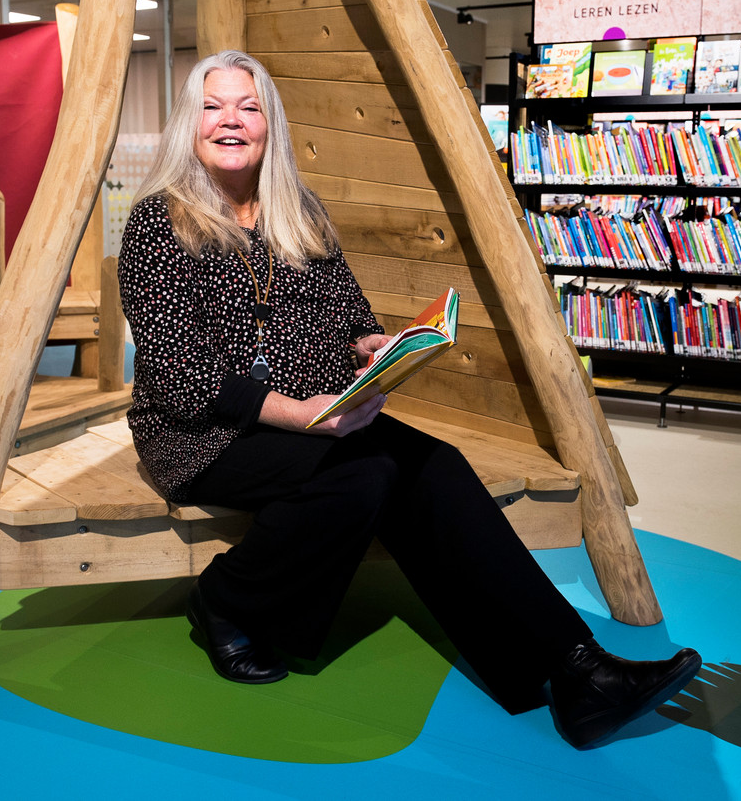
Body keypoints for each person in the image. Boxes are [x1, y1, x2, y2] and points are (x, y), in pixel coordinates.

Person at [118, 50, 701, 749]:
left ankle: (579, 674)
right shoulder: (158, 226)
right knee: (367, 475)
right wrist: (303, 415)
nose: (231, 120)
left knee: (435, 465)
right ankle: (225, 601)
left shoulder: (297, 210)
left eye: (249, 106)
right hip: (203, 434)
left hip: (314, 415)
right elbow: (182, 380)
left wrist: (371, 344)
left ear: (270, 124)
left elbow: (346, 303)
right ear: (191, 122)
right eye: (214, 106)